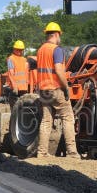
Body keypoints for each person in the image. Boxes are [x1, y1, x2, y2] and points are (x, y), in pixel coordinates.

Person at [35, 22, 79, 159]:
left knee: (46, 121)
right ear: (56, 34)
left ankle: (41, 152)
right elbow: (59, 70)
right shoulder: (57, 50)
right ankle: (72, 153)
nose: (60, 38)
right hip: (55, 88)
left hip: (43, 90)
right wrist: (66, 88)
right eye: (59, 35)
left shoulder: (40, 50)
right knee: (68, 117)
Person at [6, 40, 29, 106]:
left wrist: (27, 85)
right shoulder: (11, 59)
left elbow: (26, 73)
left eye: (21, 50)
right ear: (14, 49)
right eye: (18, 49)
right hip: (15, 89)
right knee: (17, 109)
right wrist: (14, 86)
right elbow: (11, 73)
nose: (20, 51)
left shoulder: (24, 59)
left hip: (23, 88)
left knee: (20, 109)